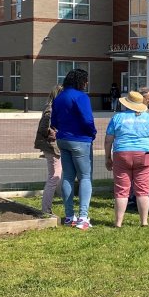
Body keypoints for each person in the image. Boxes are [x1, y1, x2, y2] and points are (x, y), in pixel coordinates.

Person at [105, 90, 149, 228]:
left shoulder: (117, 118)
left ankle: (118, 222)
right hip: (144, 154)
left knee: (121, 190)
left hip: (121, 154)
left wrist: (108, 157)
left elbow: (108, 140)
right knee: (143, 189)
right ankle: (144, 221)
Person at [51, 68, 96, 229]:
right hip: (80, 140)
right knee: (85, 177)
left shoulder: (59, 97)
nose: (87, 83)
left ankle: (69, 216)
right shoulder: (81, 96)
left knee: (68, 177)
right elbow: (87, 119)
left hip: (63, 139)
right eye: (85, 80)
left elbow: (53, 122)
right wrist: (93, 133)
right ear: (81, 81)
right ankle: (83, 217)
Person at [33, 86, 62, 219]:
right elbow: (45, 127)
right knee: (55, 177)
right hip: (52, 146)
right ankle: (46, 209)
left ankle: (46, 208)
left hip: (51, 146)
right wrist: (52, 133)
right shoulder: (51, 110)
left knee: (54, 176)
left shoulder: (51, 108)